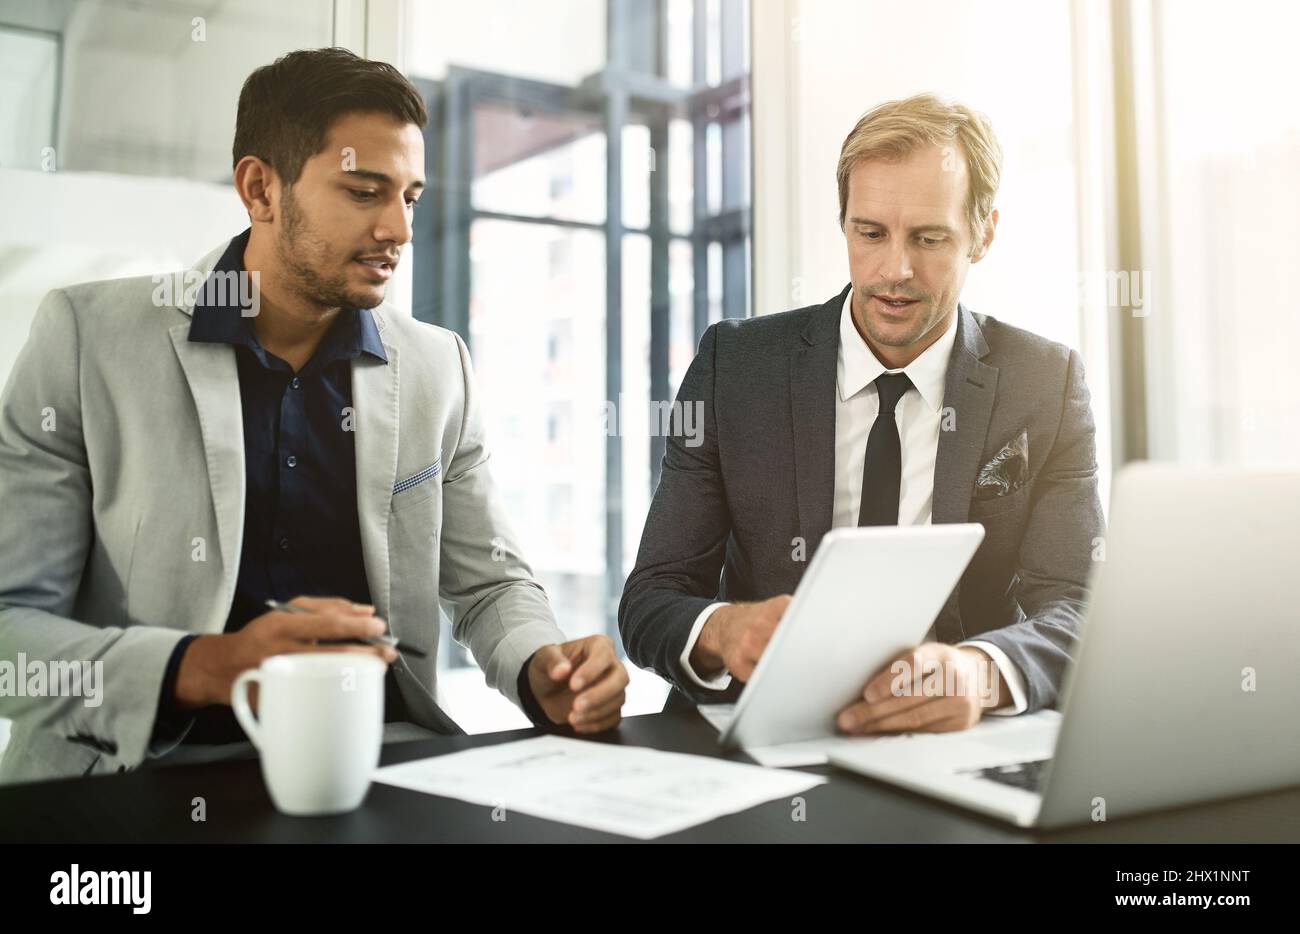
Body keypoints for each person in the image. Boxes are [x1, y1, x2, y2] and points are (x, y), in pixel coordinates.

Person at [0, 48, 627, 783]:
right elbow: (11, 629)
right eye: (365, 191)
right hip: (138, 775)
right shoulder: (88, 340)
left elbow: (490, 586)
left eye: (411, 197)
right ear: (261, 188)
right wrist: (201, 666)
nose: (399, 229)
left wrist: (539, 664)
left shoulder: (437, 367)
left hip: (377, 768)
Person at [620, 94, 1104, 735]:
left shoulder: (1045, 381)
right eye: (869, 233)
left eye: (929, 238)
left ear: (984, 233)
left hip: (954, 740)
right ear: (843, 221)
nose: (894, 271)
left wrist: (981, 673)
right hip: (754, 736)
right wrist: (721, 630)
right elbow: (651, 598)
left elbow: (1077, 603)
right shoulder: (734, 366)